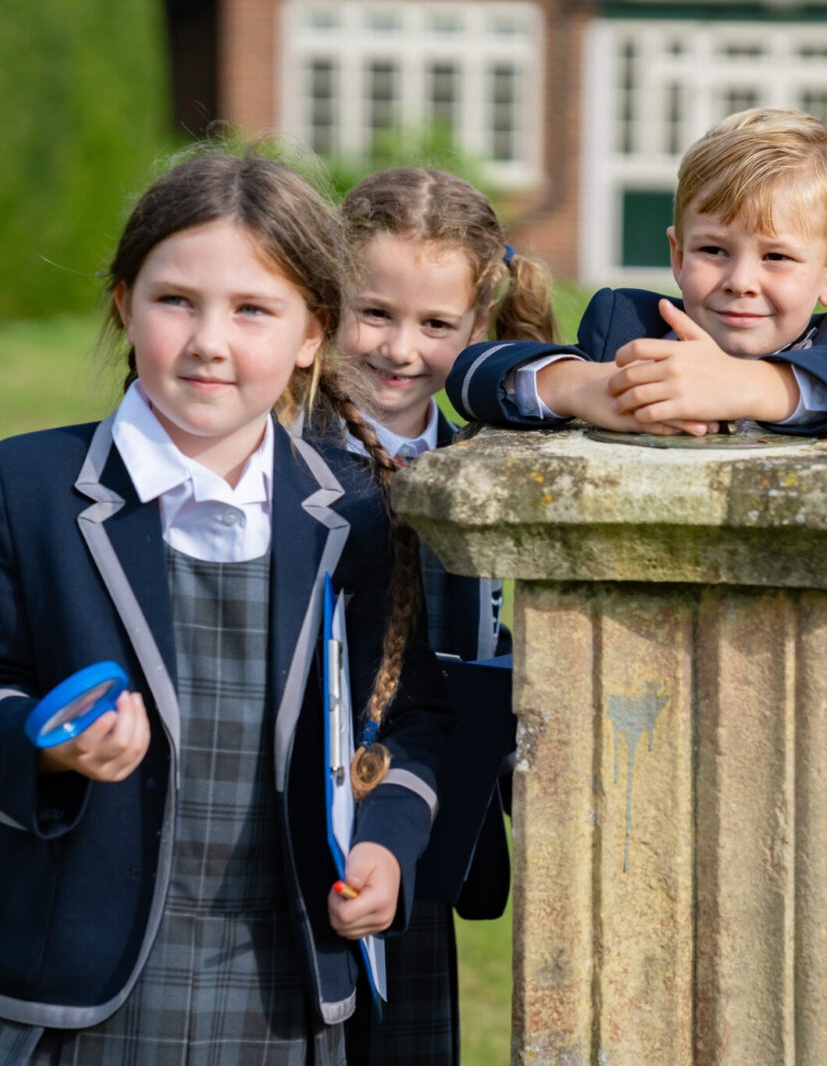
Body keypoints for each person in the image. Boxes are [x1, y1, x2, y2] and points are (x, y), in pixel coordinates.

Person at [0, 147, 453, 1066]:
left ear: (312, 334)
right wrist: (44, 746)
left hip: (286, 982)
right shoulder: (30, 483)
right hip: (76, 987)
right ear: (125, 302)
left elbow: (405, 718)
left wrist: (389, 848)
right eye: (177, 301)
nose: (211, 340)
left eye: (253, 310)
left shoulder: (360, 510)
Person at [327, 166, 555, 1064]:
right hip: (291, 815)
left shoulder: (493, 461)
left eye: (436, 326)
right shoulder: (276, 459)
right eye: (373, 313)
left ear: (481, 327)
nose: (399, 349)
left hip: (420, 823)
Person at [446, 107, 827, 436]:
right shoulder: (631, 331)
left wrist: (749, 385)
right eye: (714, 250)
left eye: (777, 257)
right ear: (678, 257)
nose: (741, 280)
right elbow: (469, 376)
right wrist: (581, 387)